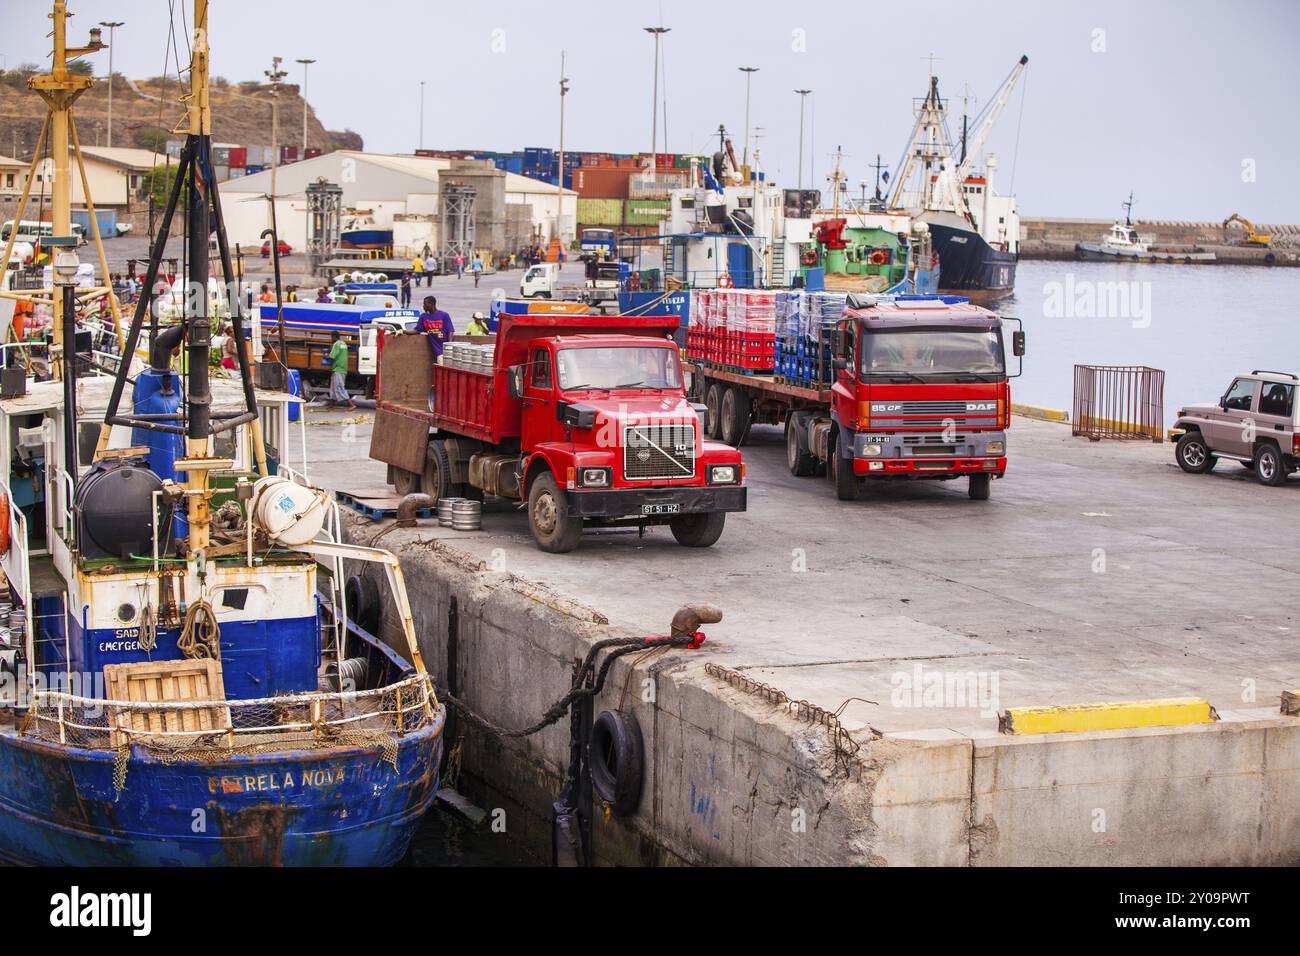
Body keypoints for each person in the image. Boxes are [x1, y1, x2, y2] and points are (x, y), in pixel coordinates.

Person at [326, 330, 356, 408]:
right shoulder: (343, 344)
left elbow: (332, 356)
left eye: (331, 337)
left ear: (333, 337)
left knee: (339, 387)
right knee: (333, 387)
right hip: (342, 368)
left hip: (338, 368)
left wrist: (326, 356)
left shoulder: (336, 344)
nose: (331, 339)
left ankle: (351, 405)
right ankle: (331, 405)